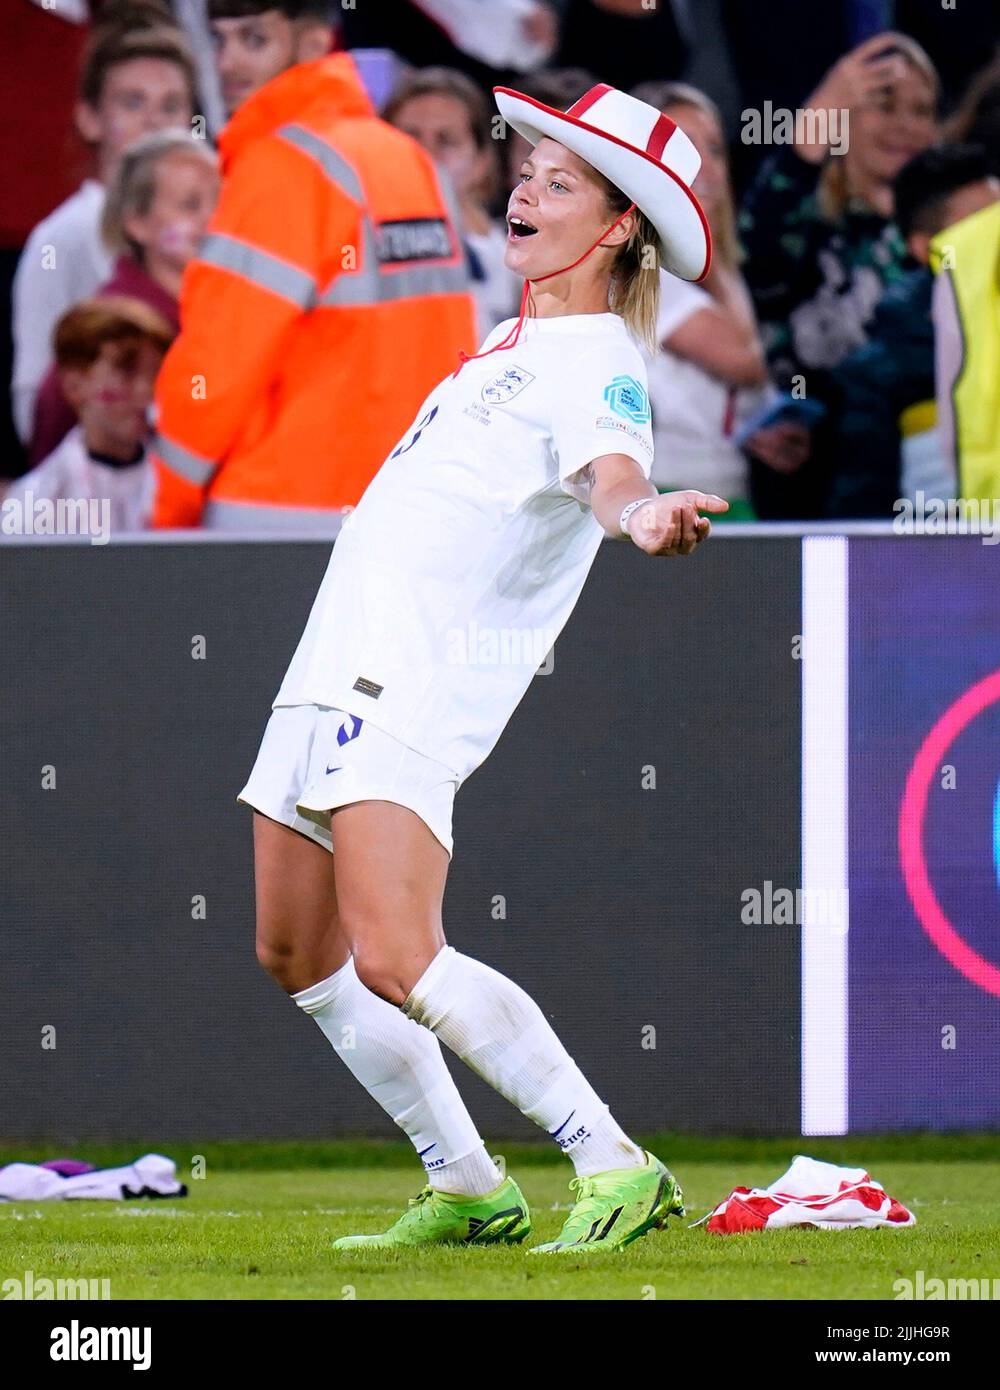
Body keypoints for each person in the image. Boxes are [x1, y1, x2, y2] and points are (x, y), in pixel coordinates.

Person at [238, 80, 729, 1252]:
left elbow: (612, 473)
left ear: (617, 229)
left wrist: (642, 516)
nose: (526, 187)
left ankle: (611, 1161)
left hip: (408, 681)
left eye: (562, 182)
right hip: (329, 665)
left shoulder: (592, 358)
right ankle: (467, 1183)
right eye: (531, 169)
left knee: (399, 951)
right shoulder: (505, 345)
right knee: (294, 948)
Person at [150, 1, 475, 531]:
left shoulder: (282, 167)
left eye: (253, 39)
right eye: (219, 39)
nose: (229, 62)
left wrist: (167, 516)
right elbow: (454, 343)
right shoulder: (407, 159)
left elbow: (216, 369)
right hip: (408, 512)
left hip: (280, 516)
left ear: (312, 44)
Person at [738, 31, 939, 518]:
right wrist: (819, 113)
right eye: (884, 105)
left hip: (922, 482)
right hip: (809, 483)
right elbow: (757, 246)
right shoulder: (805, 226)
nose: (905, 126)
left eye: (922, 110)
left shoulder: (953, 235)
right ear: (842, 117)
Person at [11, 19, 197, 447]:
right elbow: (32, 408)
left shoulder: (214, 227)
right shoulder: (61, 239)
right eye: (133, 102)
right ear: (90, 119)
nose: (154, 121)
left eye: (171, 106)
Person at [826, 144, 1000, 517]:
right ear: (925, 248)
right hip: (936, 570)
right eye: (980, 225)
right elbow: (861, 515)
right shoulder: (880, 372)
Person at [29, 129, 219, 468]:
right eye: (191, 205)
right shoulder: (109, 331)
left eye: (221, 202)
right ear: (137, 223)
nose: (215, 220)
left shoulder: (229, 315)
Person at [632, 81, 768, 517]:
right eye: (685, 149)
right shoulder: (635, 269)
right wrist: (718, 264)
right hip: (663, 496)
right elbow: (744, 359)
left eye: (715, 149)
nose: (707, 167)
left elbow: (745, 393)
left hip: (729, 490)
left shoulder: (718, 274)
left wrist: (765, 429)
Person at [2, 298, 173, 535]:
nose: (147, 391)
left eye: (157, 373)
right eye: (127, 371)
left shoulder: (179, 480)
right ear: (74, 386)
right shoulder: (38, 501)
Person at [384, 67, 520, 337]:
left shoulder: (518, 265)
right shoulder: (348, 247)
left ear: (481, 162)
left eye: (446, 141)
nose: (425, 154)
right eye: (410, 137)